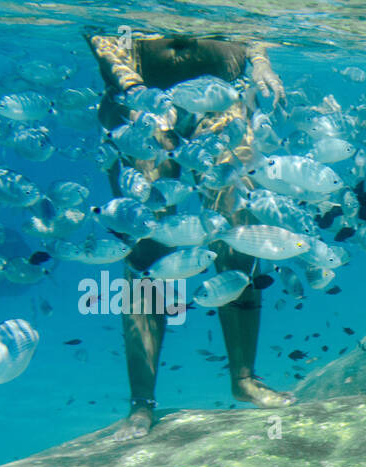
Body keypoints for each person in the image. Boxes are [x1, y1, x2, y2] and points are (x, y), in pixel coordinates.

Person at [87, 31, 296, 441]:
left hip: (221, 102)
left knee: (237, 240)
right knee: (145, 245)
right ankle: (141, 402)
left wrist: (260, 63)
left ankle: (244, 378)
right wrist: (137, 92)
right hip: (139, 102)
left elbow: (253, 32)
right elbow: (101, 38)